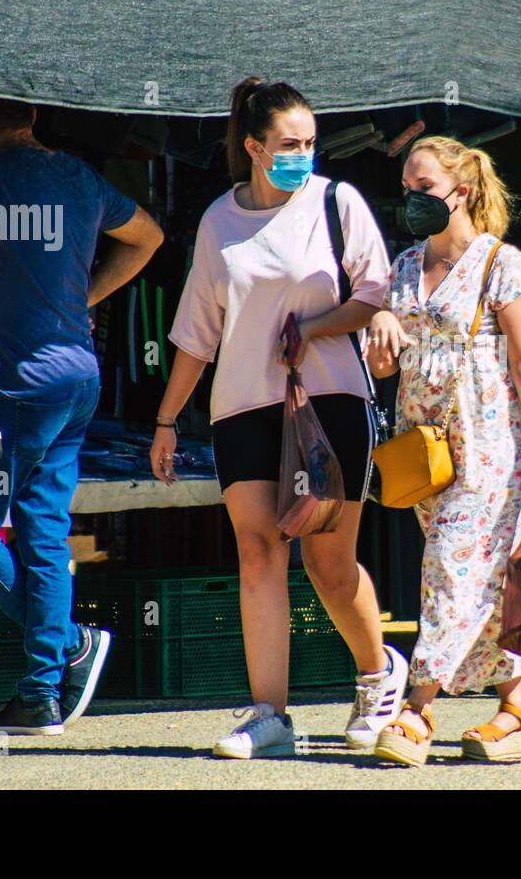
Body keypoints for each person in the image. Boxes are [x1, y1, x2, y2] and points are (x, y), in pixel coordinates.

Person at [150, 77, 405, 760]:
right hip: (241, 405)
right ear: (255, 146)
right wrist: (167, 420)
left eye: (311, 143)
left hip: (331, 401)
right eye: (290, 144)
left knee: (328, 561)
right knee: (258, 551)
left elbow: (376, 294)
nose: (303, 155)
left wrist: (316, 327)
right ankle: (270, 714)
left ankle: (378, 675)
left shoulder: (335, 202)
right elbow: (197, 332)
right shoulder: (217, 221)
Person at [0, 94, 164, 735]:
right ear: (33, 118)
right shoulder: (76, 176)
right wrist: (86, 293)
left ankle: (66, 648)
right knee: (43, 532)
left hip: (15, 387)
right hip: (77, 378)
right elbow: (149, 236)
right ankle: (40, 695)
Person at [365, 136, 521, 767]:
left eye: (424, 189)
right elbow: (391, 360)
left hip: (489, 448)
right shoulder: (402, 267)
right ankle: (515, 709)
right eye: (406, 190)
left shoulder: (504, 266)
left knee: (452, 572)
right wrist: (381, 346)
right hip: (425, 451)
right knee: (478, 577)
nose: (412, 200)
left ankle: (415, 710)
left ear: (463, 190)